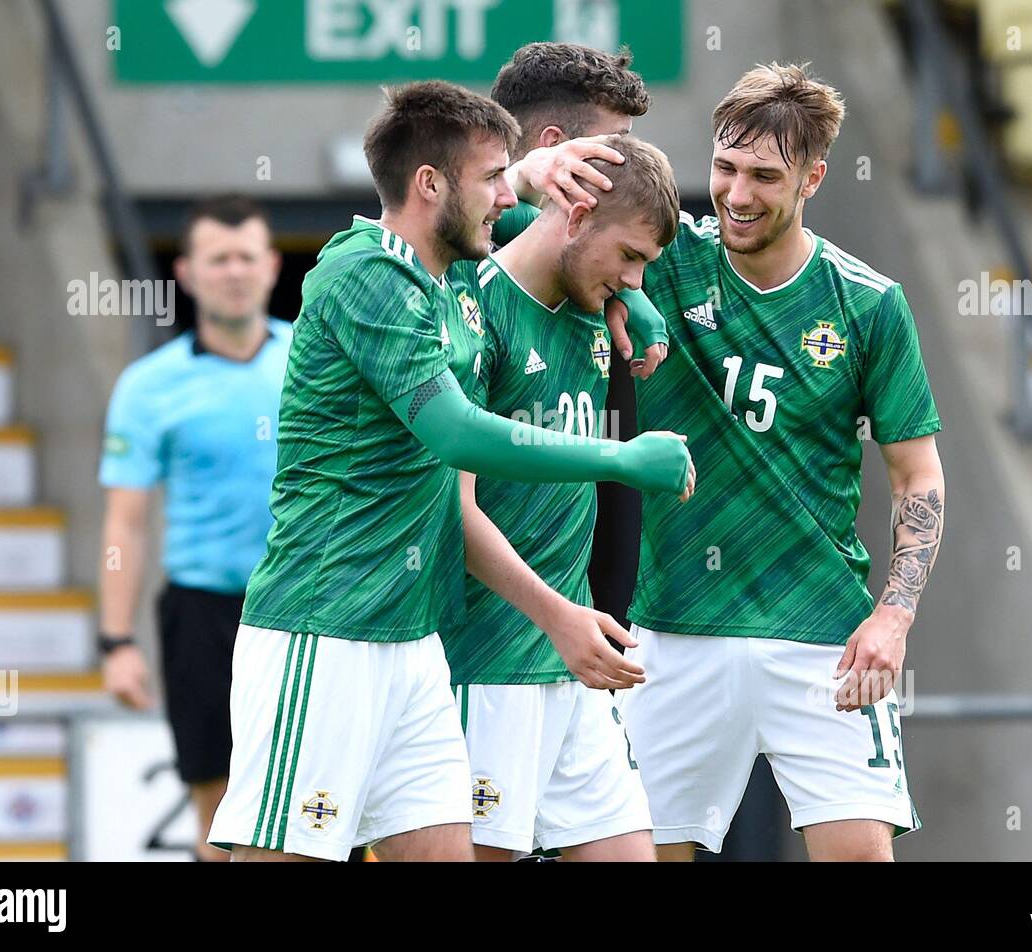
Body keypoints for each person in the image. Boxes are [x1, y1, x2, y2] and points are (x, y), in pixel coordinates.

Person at [205, 81, 694, 863]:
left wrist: (631, 292)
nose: (510, 193)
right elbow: (457, 433)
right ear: (430, 185)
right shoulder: (365, 272)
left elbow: (552, 233)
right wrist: (620, 457)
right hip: (326, 624)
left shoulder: (455, 276)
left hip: (414, 637)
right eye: (493, 179)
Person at [608, 63, 946, 862]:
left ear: (813, 178)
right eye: (725, 169)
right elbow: (526, 226)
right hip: (674, 628)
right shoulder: (668, 260)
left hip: (821, 636)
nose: (738, 193)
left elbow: (917, 475)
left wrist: (893, 616)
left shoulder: (869, 305)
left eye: (766, 176)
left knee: (861, 856)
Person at [444, 133, 680, 861]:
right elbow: (453, 513)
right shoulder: (472, 312)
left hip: (569, 663)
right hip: (486, 661)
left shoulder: (593, 308)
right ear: (576, 217)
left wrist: (631, 304)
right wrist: (558, 618)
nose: (636, 284)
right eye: (631, 258)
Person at [98, 194, 287, 862]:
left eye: (245, 256)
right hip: (203, 614)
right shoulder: (148, 386)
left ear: (269, 266)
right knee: (220, 807)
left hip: (309, 609)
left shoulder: (315, 364)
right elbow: (126, 522)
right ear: (186, 272)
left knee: (321, 805)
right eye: (218, 258)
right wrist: (115, 640)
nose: (233, 271)